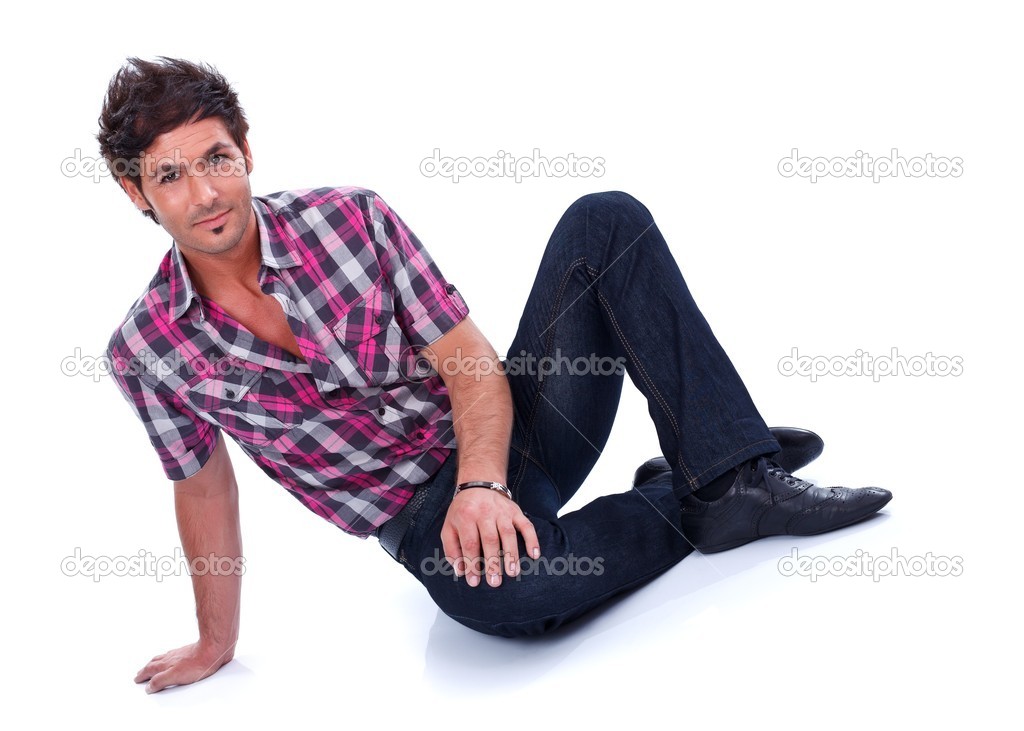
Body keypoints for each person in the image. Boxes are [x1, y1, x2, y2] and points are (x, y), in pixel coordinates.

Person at [97, 57, 892, 694]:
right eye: (171, 176)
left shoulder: (352, 217)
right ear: (136, 191)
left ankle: (732, 476)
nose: (206, 193)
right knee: (503, 599)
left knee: (602, 221)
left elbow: (469, 361)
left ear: (246, 151)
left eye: (217, 159)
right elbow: (203, 489)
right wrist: (216, 640)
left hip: (519, 426)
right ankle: (697, 483)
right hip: (418, 518)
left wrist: (484, 480)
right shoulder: (147, 351)